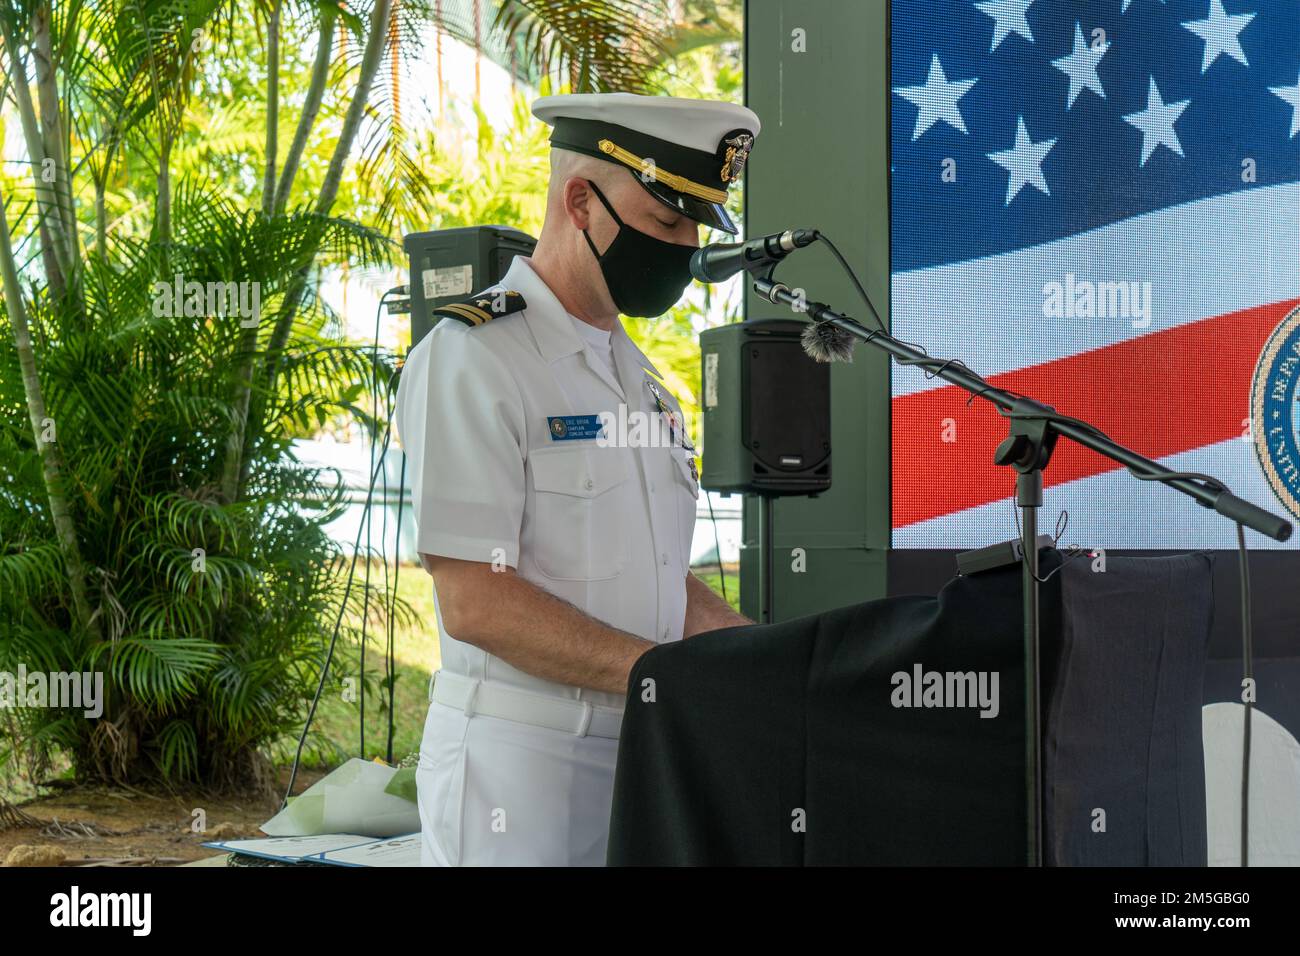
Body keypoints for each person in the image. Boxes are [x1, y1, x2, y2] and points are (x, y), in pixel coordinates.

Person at [393, 92, 759, 866]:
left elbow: (656, 578)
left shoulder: (644, 383)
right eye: (666, 223)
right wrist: (669, 680)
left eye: (697, 224)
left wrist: (763, 665)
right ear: (581, 201)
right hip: (518, 775)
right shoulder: (475, 357)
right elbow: (475, 601)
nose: (687, 247)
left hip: (641, 760)